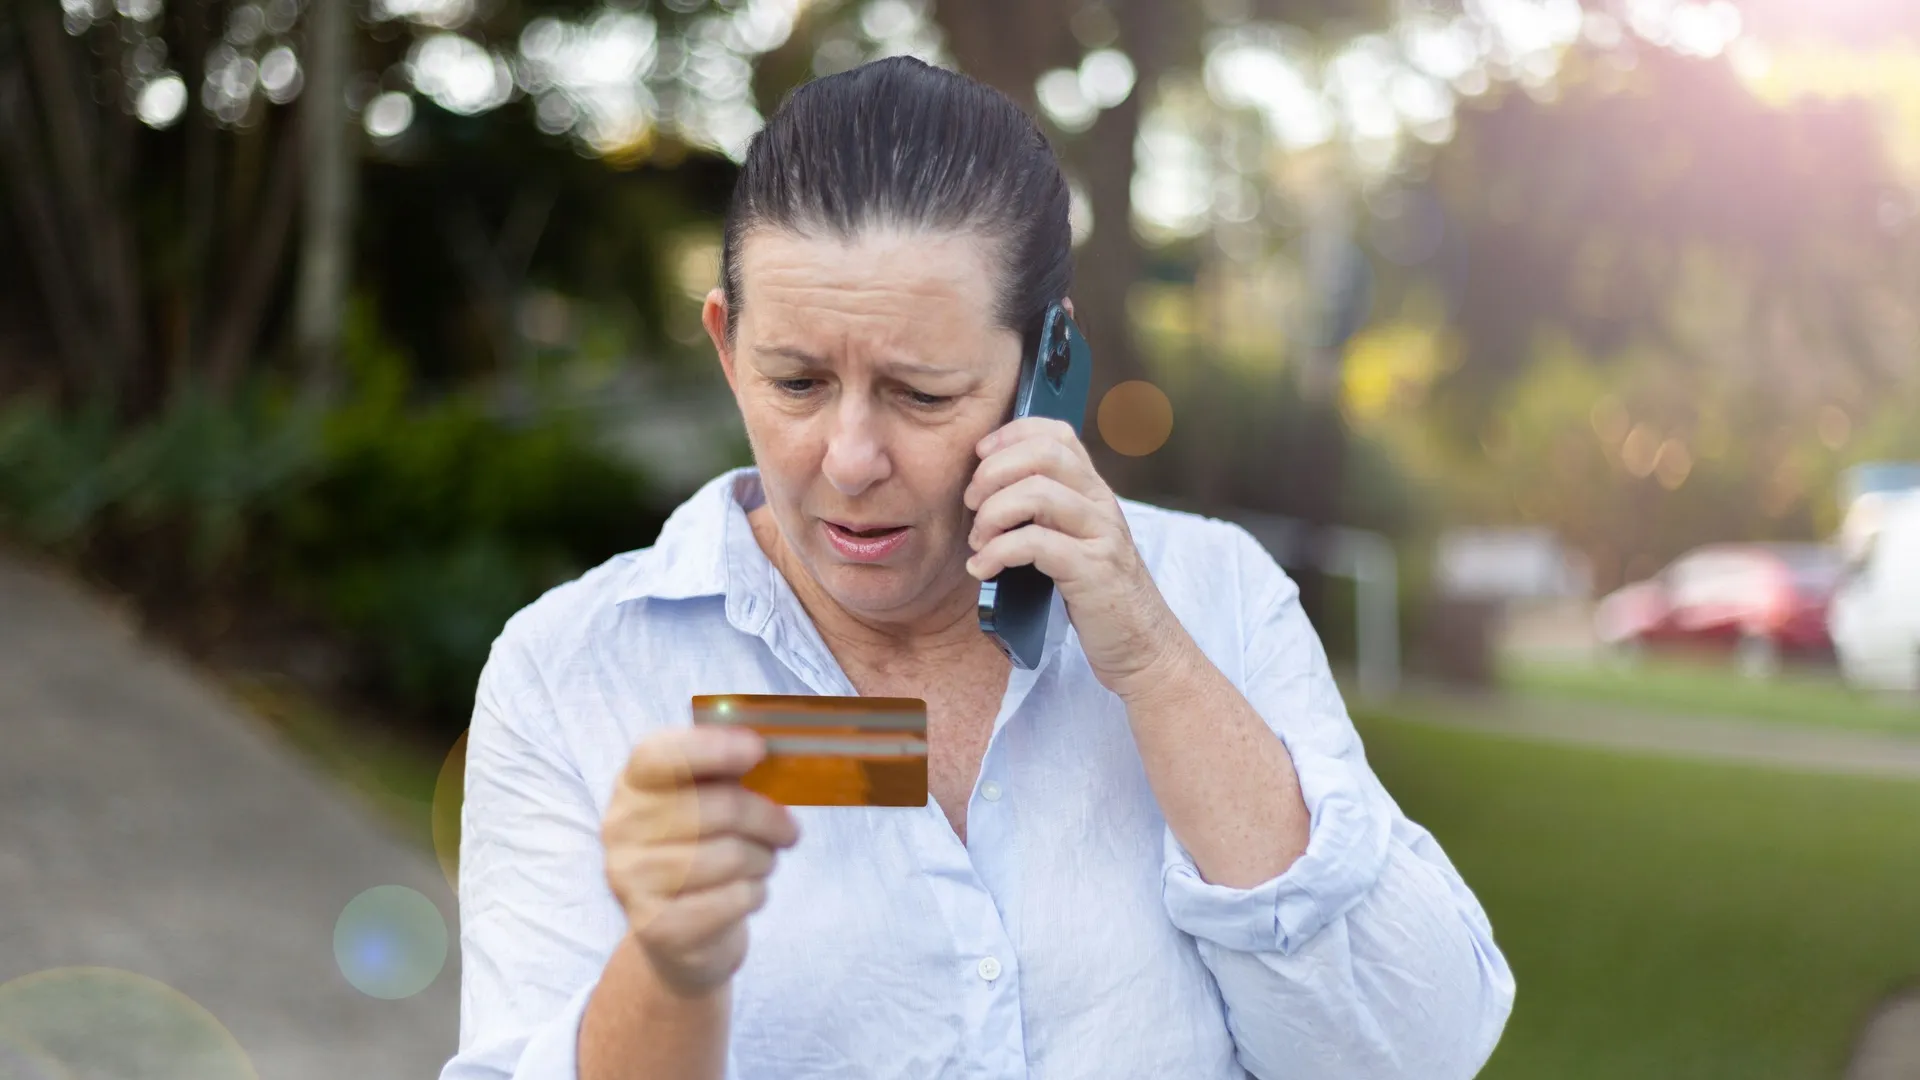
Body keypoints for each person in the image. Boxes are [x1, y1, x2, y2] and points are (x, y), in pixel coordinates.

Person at [440, 56, 1514, 1080]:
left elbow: (1419, 1050)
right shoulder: (571, 671)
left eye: (922, 392)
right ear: (727, 348)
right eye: (797, 382)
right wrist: (667, 968)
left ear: (1051, 363)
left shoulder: (1215, 592)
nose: (851, 459)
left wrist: (1153, 662)